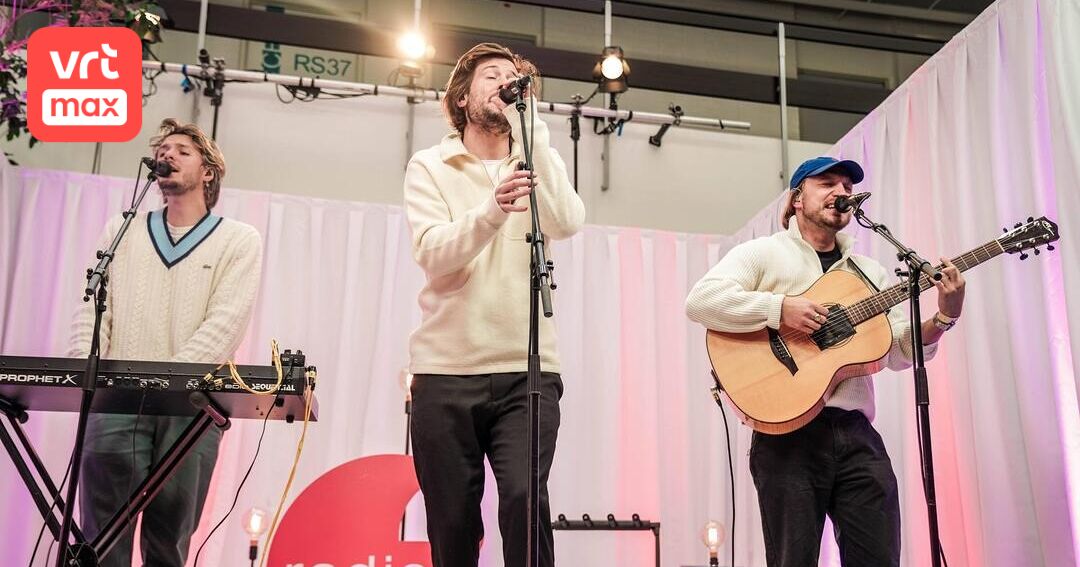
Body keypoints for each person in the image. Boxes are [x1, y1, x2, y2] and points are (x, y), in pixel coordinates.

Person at [685, 156, 966, 566]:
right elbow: (701, 302)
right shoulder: (763, 254)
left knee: (880, 558)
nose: (842, 192)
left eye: (848, 187)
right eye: (828, 183)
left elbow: (899, 350)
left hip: (857, 435)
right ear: (797, 198)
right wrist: (780, 309)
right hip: (787, 436)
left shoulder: (871, 274)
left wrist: (944, 316)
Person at [403, 43, 585, 567]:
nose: (506, 82)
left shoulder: (535, 155)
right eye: (492, 75)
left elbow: (567, 222)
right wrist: (491, 210)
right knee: (452, 520)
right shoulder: (430, 165)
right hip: (444, 372)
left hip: (527, 374)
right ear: (462, 96)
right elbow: (433, 253)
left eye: (515, 77)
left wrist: (537, 135)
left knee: (527, 503)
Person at [68, 118, 263, 566]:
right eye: (163, 148)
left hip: (190, 408)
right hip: (115, 402)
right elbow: (92, 307)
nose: (167, 155)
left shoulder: (238, 239)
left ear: (208, 172)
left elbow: (225, 324)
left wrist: (163, 384)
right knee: (101, 541)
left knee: (168, 540)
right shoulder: (124, 229)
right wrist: (84, 370)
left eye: (182, 150)